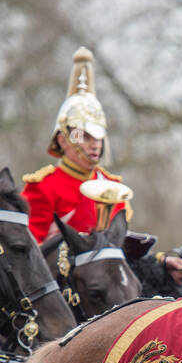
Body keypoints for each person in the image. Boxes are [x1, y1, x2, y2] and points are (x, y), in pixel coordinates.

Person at [22, 48, 130, 244]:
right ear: (63, 140)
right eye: (86, 137)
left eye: (98, 138)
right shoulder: (44, 186)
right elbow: (32, 249)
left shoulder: (112, 186)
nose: (95, 145)